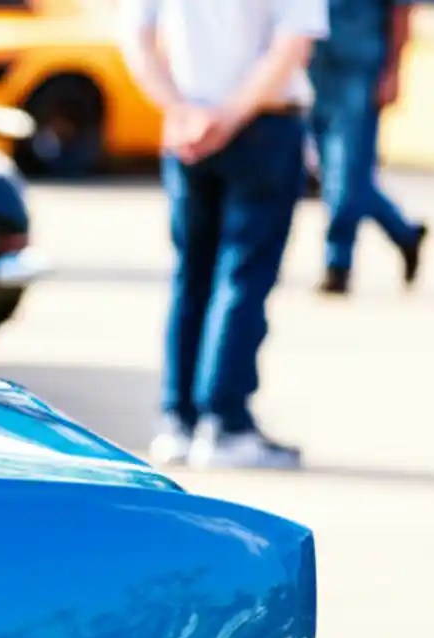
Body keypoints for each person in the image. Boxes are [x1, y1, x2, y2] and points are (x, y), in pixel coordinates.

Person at [121, 0, 328, 470]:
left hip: (189, 125)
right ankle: (225, 422)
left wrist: (180, 110)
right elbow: (292, 44)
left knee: (192, 274)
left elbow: (136, 36)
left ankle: (180, 420)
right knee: (242, 277)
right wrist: (228, 118)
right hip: (262, 123)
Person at [309, 0, 427, 295]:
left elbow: (401, 12)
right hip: (317, 69)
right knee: (338, 176)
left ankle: (338, 263)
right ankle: (404, 233)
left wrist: (394, 71)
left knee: (346, 175)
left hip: (360, 71)